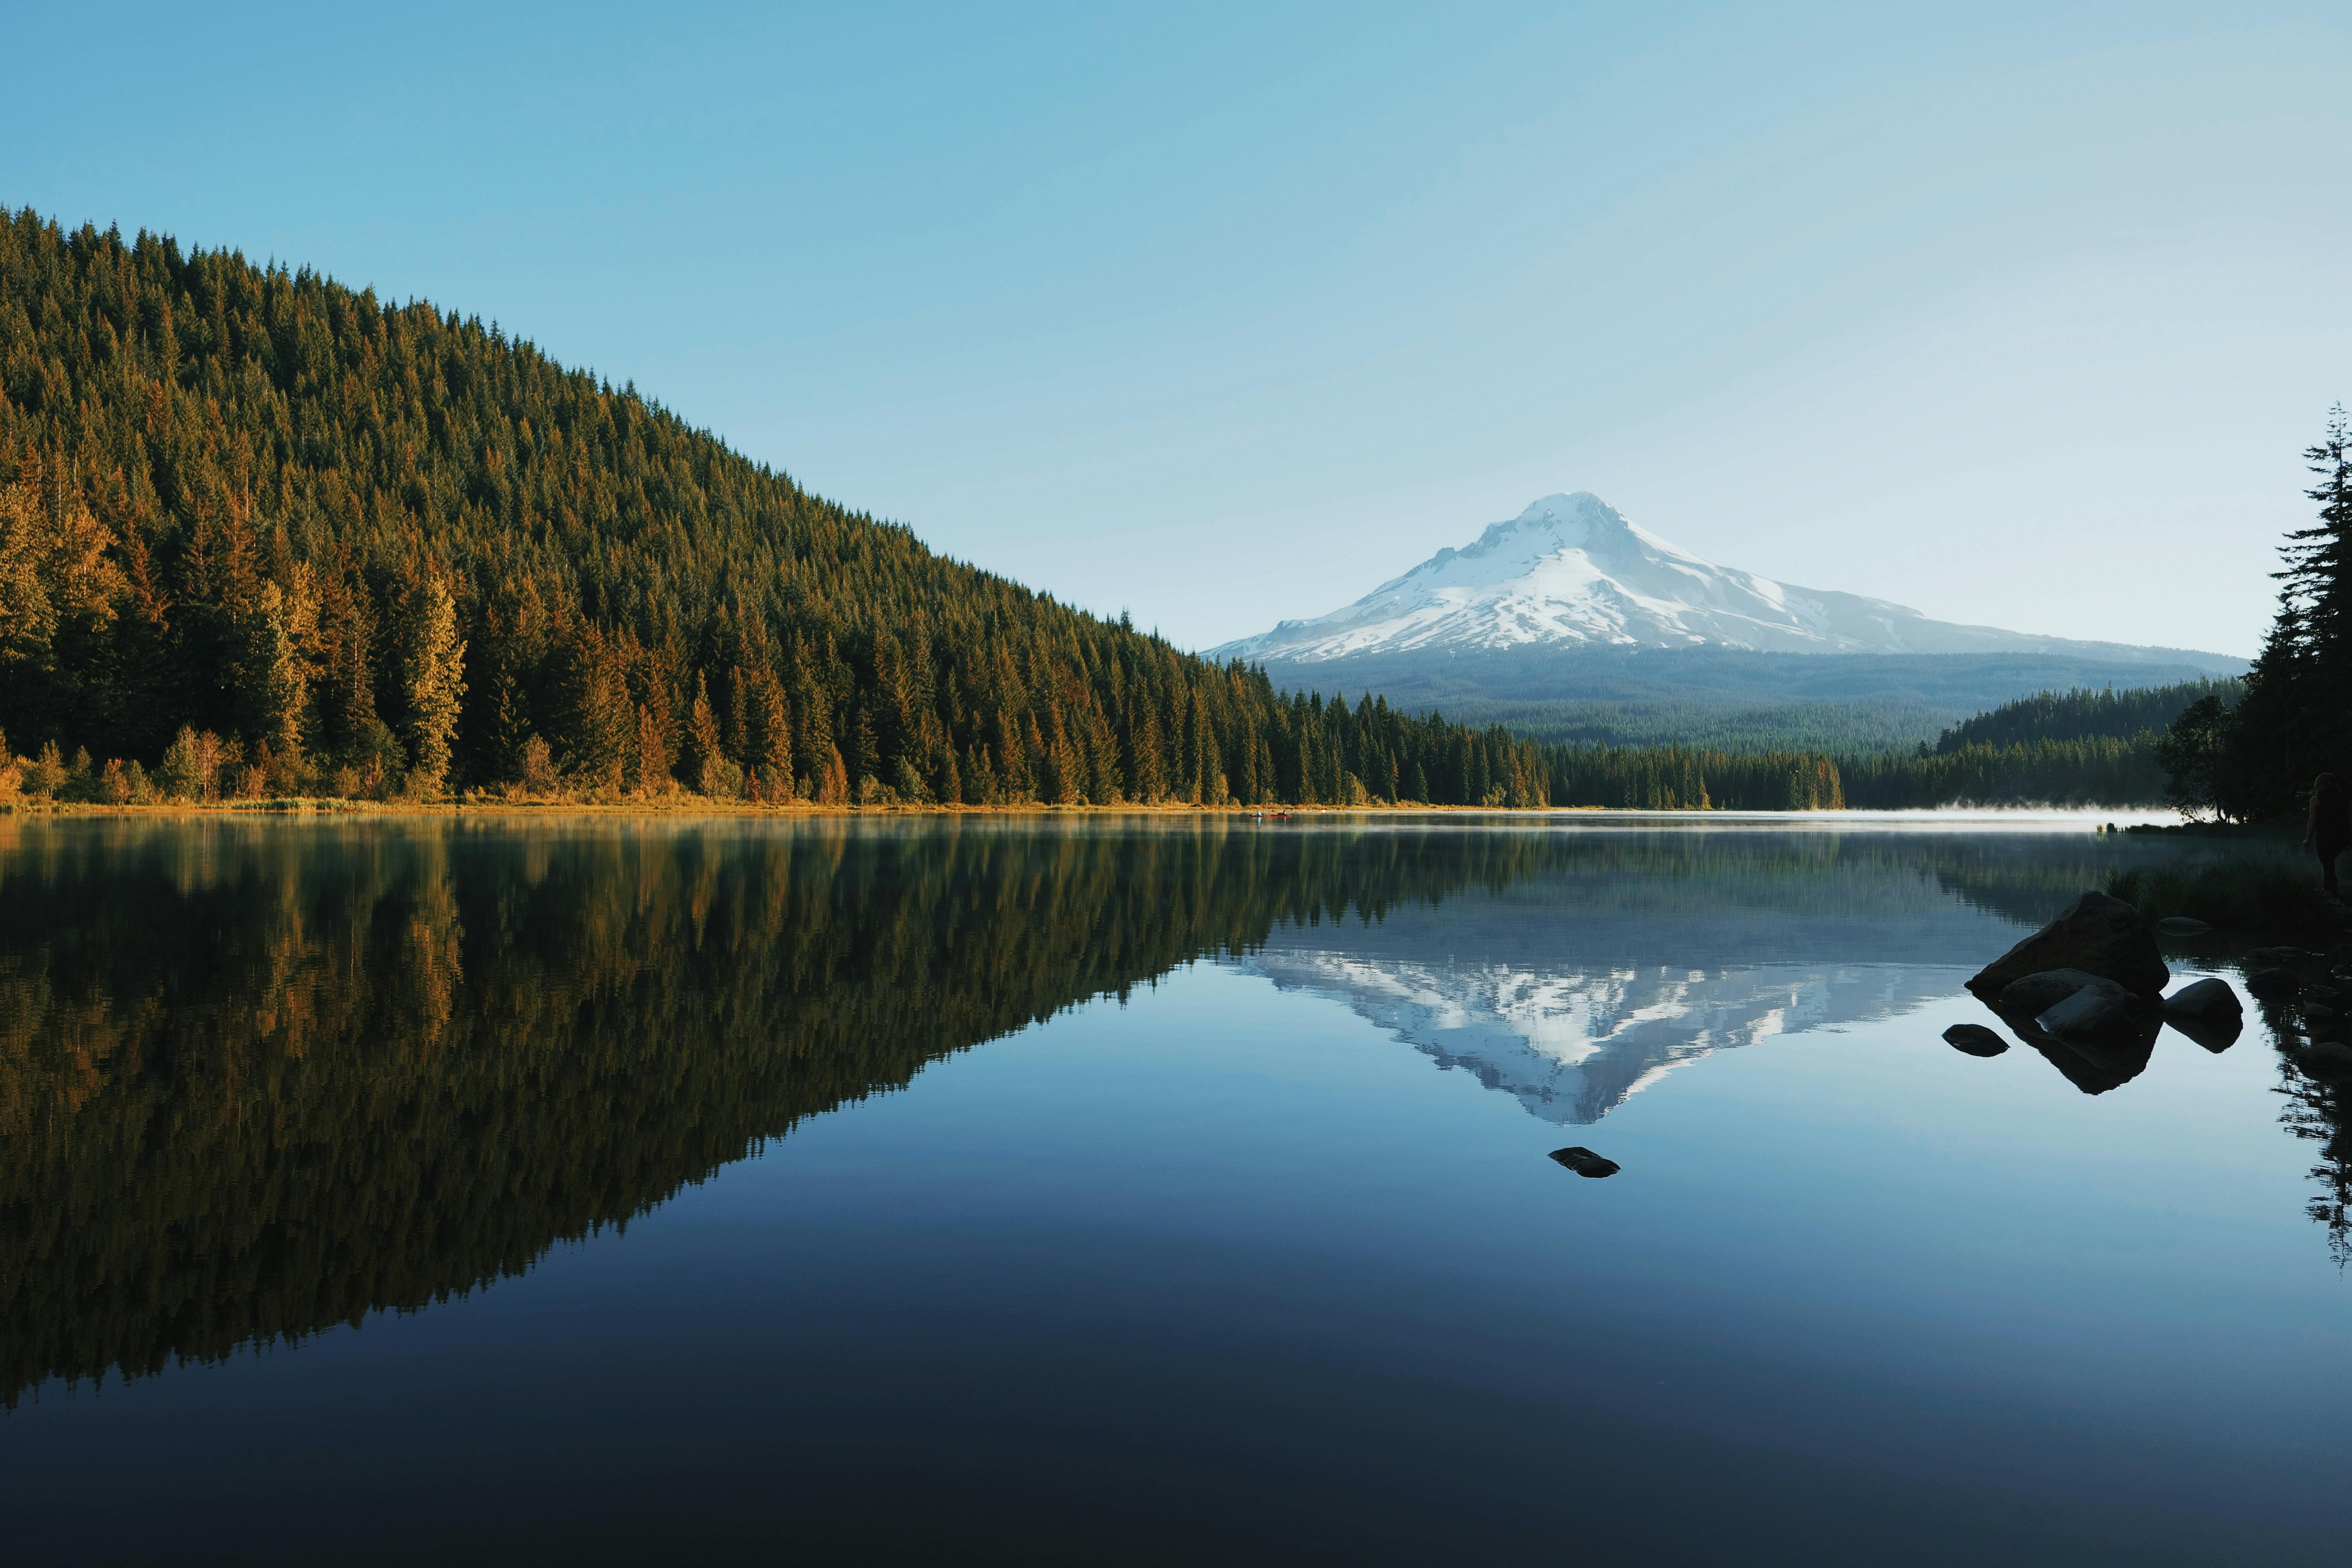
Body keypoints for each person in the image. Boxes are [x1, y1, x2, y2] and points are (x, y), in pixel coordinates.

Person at [2305, 773, 2352, 897]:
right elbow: (2350, 821)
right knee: (2329, 862)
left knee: (2328, 865)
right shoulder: (2345, 800)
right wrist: (2349, 840)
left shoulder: (2316, 799)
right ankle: (2326, 890)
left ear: (2318, 784)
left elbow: (2312, 820)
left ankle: (2335, 898)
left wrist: (2308, 839)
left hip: (2325, 838)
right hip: (2342, 839)